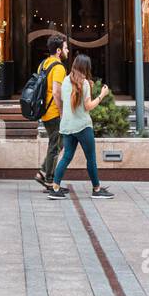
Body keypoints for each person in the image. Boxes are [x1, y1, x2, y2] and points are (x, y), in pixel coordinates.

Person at [47, 54, 114, 200]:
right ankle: (96, 189)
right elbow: (88, 106)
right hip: (83, 126)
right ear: (86, 68)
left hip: (67, 125)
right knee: (91, 159)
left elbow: (65, 99)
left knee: (66, 157)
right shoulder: (83, 84)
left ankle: (55, 188)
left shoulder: (66, 80)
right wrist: (102, 95)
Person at [34, 33, 70, 190]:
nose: (67, 50)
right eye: (66, 47)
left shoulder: (43, 64)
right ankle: (49, 180)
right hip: (54, 112)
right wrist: (62, 111)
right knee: (55, 146)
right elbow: (56, 92)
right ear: (58, 51)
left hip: (45, 111)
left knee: (57, 143)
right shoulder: (59, 67)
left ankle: (43, 172)